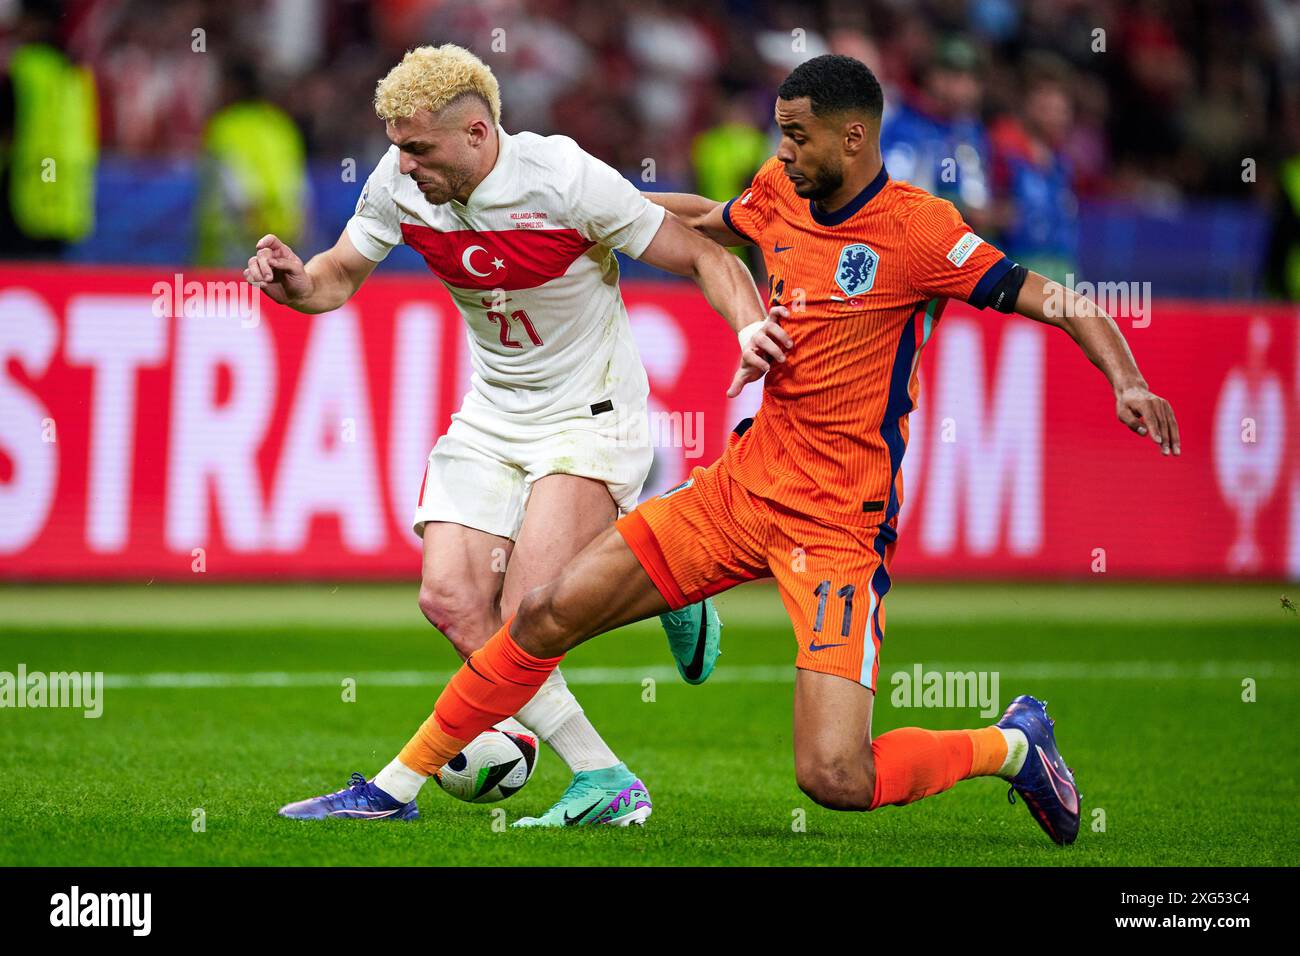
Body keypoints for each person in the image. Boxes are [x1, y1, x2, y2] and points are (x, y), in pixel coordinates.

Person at [282, 53, 1181, 846]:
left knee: (834, 778)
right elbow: (707, 224)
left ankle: (1012, 745)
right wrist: (600, 214)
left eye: (797, 136)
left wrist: (1127, 379)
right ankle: (392, 788)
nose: (781, 152)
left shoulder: (921, 231)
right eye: (778, 135)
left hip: (838, 520)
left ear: (854, 137)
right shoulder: (779, 193)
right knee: (545, 611)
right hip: (741, 488)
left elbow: (1059, 300)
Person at [254, 45, 774, 827]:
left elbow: (702, 250)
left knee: (533, 609)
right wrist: (299, 284)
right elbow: (336, 276)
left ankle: (661, 585)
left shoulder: (563, 179)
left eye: (419, 148)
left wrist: (751, 331)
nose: (404, 163)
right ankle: (607, 769)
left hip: (589, 415)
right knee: (454, 601)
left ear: (476, 132)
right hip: (493, 412)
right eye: (396, 146)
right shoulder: (399, 185)